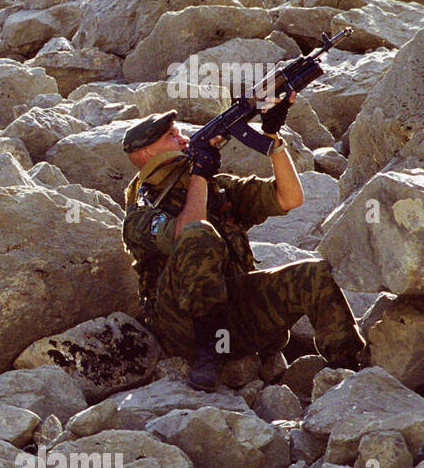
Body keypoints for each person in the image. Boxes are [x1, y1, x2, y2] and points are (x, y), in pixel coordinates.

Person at [120, 99, 365, 391]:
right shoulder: (141, 212)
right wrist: (198, 174)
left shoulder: (218, 188)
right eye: (172, 136)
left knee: (313, 274)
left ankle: (347, 372)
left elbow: (290, 198)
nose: (184, 138)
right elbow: (188, 230)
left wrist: (274, 141)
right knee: (199, 235)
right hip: (181, 327)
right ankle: (208, 355)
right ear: (147, 153)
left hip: (233, 314)